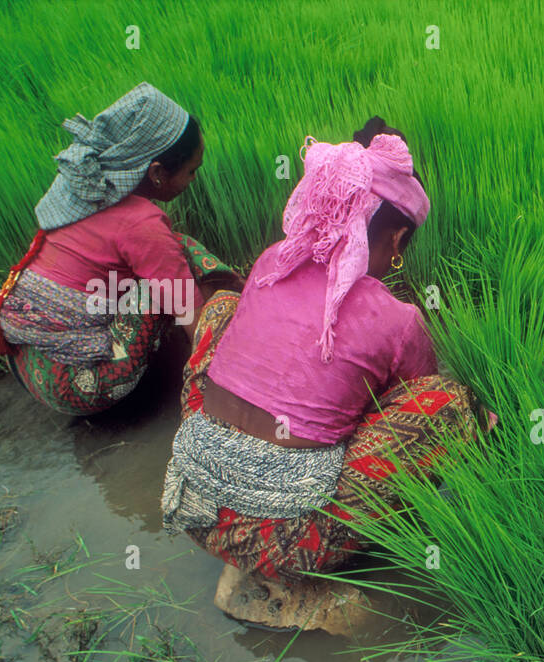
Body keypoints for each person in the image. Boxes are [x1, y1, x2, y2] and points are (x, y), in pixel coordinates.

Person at [161, 118, 486, 585]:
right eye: (402, 247)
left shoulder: (274, 259)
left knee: (223, 307)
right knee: (448, 404)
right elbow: (412, 400)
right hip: (281, 541)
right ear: (396, 240)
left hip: (194, 501)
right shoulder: (398, 319)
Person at [0, 82, 240, 415]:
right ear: (157, 173)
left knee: (162, 268)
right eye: (192, 171)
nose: (194, 180)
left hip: (26, 365)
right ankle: (236, 338)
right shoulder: (141, 223)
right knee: (180, 261)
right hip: (76, 386)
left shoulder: (82, 191)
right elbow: (186, 308)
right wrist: (227, 380)